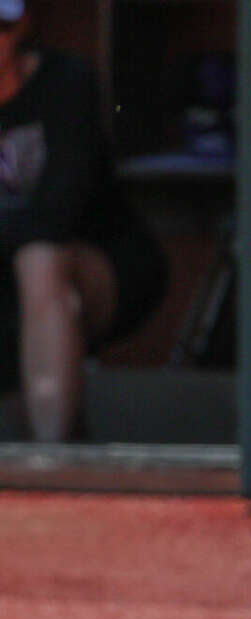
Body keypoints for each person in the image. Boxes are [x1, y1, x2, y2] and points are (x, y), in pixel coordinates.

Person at [0, 0, 167, 441]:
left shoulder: (65, 82)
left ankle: (55, 459)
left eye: (3, 24)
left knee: (38, 262)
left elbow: (56, 213)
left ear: (23, 25)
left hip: (100, 266)